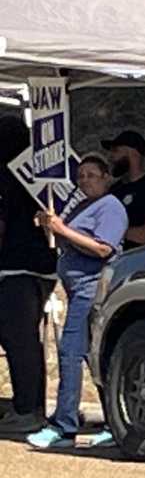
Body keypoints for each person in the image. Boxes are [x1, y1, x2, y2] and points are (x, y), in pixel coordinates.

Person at [26, 155, 127, 449]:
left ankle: (64, 426)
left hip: (92, 288)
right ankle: (114, 421)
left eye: (91, 175)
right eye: (81, 176)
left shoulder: (110, 207)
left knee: (70, 352)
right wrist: (50, 226)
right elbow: (64, 238)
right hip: (74, 288)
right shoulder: (82, 205)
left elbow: (102, 248)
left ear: (106, 177)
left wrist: (62, 230)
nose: (84, 180)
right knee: (92, 356)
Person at [0, 116, 57, 433]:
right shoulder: (41, 172)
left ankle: (26, 410)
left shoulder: (5, 175)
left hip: (14, 266)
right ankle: (32, 406)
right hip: (45, 265)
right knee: (28, 341)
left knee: (18, 339)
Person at [102, 130, 145, 250]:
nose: (110, 157)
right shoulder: (113, 190)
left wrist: (115, 232)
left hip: (138, 262)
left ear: (133, 153)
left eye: (116, 151)